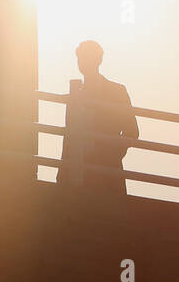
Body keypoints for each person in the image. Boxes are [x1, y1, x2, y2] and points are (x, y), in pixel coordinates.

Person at [59, 40, 138, 196]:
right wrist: (62, 172)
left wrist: (109, 157)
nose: (83, 62)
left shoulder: (117, 91)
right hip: (77, 174)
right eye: (81, 58)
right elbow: (68, 137)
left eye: (86, 57)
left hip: (107, 175)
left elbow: (132, 131)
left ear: (98, 60)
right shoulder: (75, 95)